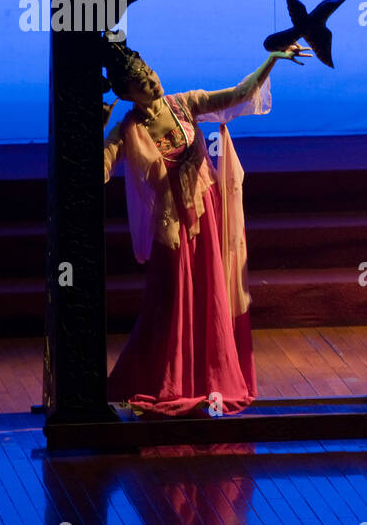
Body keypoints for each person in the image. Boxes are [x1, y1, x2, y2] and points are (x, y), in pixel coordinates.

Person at [101, 38, 311, 415]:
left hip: (206, 212)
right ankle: (169, 379)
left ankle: (210, 378)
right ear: (126, 92)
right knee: (171, 301)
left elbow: (238, 93)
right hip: (172, 227)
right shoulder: (127, 130)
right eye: (142, 83)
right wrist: (92, 133)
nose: (152, 82)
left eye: (150, 73)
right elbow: (96, 173)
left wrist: (272, 60)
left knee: (210, 293)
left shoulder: (185, 103)